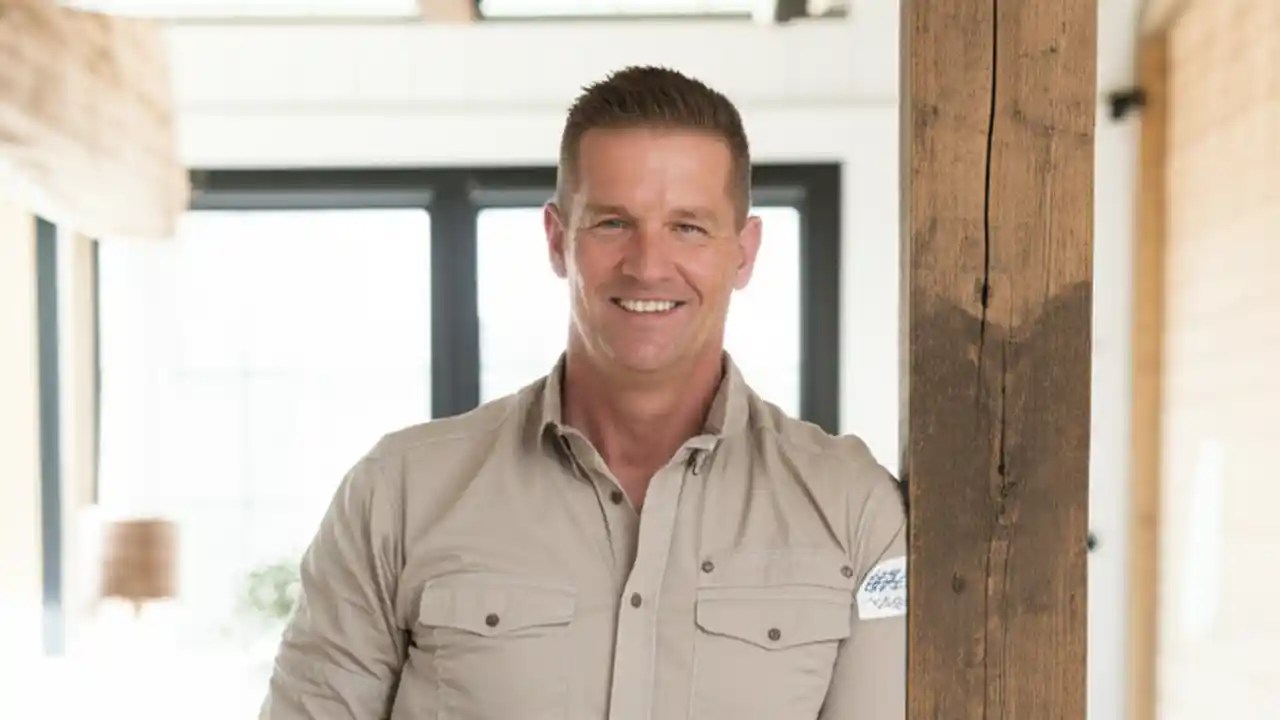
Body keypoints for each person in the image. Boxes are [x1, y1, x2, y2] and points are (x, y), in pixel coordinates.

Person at [260, 65, 906, 720]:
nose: (649, 264)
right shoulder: (397, 494)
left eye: (688, 227)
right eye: (613, 223)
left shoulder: (855, 512)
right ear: (556, 238)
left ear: (743, 252)